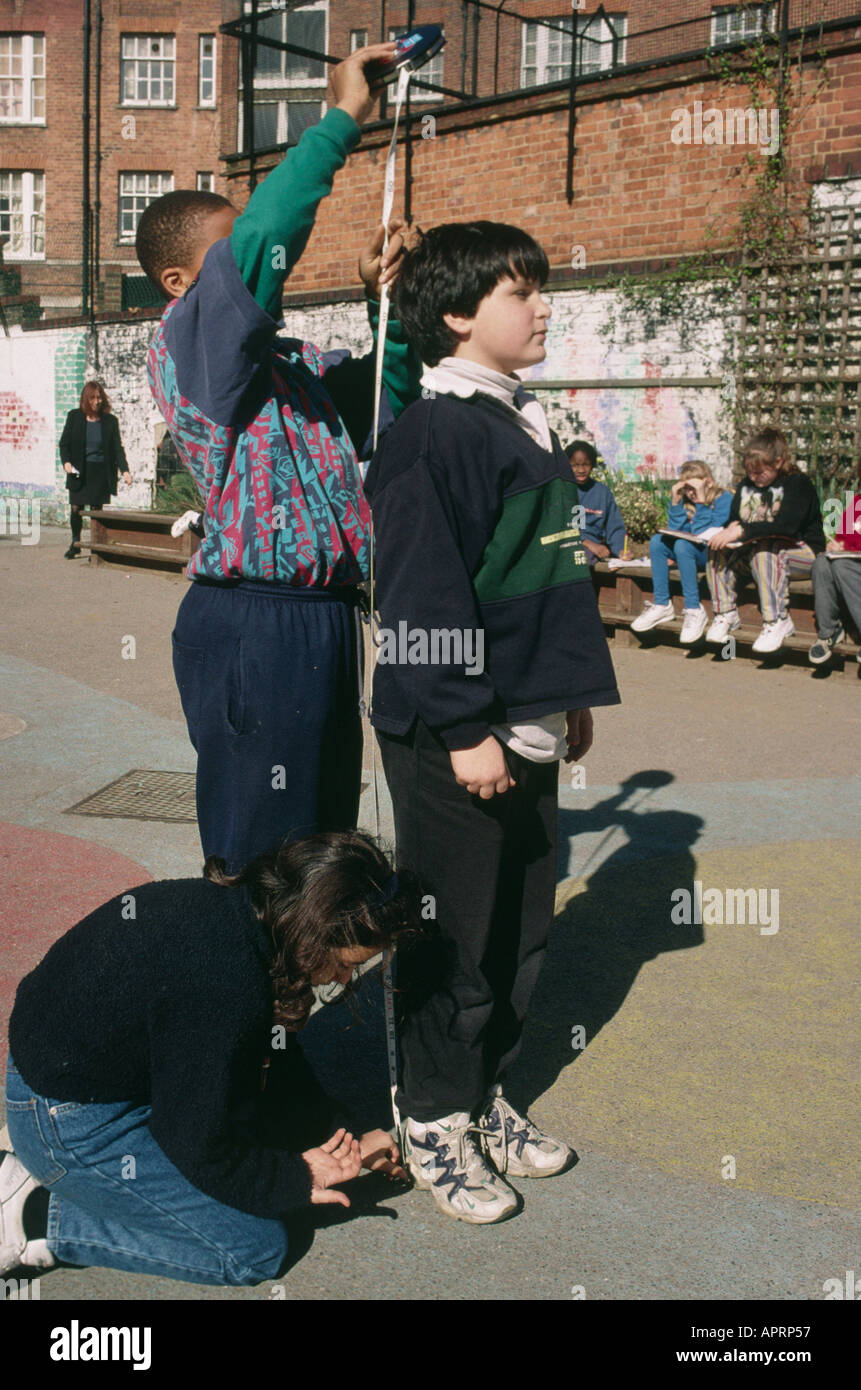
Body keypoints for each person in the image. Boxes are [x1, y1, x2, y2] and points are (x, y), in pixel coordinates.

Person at [364, 221, 620, 1225]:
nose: (544, 305)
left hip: (531, 719)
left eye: (542, 288)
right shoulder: (434, 433)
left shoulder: (524, 422)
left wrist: (572, 701)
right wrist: (468, 727)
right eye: (523, 292)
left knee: (521, 932)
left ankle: (482, 1096)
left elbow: (549, 581)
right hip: (456, 734)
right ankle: (432, 1117)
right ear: (460, 314)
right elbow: (420, 598)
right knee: (453, 936)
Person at [136, 41, 420, 874]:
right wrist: (341, 120)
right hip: (252, 620)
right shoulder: (192, 349)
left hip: (326, 616)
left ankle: (294, 997)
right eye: (229, 258)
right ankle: (238, 994)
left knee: (319, 841)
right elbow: (265, 234)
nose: (261, 267)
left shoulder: (293, 367)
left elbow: (383, 406)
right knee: (258, 840)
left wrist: (386, 304)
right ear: (182, 283)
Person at [0, 831, 419, 1287]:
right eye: (343, 964)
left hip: (92, 1081)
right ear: (314, 933)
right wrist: (296, 1177)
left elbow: (273, 1055)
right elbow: (196, 1142)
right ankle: (38, 1216)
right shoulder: (224, 984)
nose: (341, 979)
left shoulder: (245, 914)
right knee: (255, 1247)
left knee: (253, 1139)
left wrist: (340, 1133)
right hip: (66, 1122)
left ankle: (83, 1186)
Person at [704, 428, 826, 654]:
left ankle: (777, 620)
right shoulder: (746, 485)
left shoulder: (797, 484)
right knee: (717, 547)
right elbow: (736, 521)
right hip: (756, 557)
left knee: (766, 549)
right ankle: (725, 613)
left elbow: (786, 527)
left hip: (802, 553)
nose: (754, 477)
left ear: (778, 462)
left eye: (760, 472)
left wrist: (740, 530)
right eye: (750, 472)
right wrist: (729, 529)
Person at [632, 460, 732, 645]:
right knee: (657, 542)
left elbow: (705, 532)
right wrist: (676, 502)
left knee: (682, 546)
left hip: (715, 555)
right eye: (687, 489)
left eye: (694, 487)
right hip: (692, 552)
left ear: (708, 482)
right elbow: (677, 530)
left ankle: (694, 608)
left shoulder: (723, 499)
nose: (691, 493)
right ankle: (662, 604)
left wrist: (701, 500)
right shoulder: (687, 502)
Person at [59, 382, 132, 559]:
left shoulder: (110, 421)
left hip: (100, 471)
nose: (97, 401)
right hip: (78, 470)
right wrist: (66, 462)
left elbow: (117, 449)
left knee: (96, 511)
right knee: (76, 508)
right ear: (86, 399)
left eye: (99, 397)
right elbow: (64, 443)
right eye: (92, 398)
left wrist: (125, 470)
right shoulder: (74, 417)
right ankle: (75, 544)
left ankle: (96, 546)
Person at [809, 484, 861, 664]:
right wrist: (836, 546)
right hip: (850, 562)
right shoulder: (856, 503)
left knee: (841, 566)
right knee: (821, 563)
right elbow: (842, 538)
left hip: (852, 566)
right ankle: (828, 634)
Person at [565, 439, 626, 564]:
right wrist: (586, 543)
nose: (581, 470)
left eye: (586, 464)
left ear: (592, 465)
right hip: (568, 545)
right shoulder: (562, 490)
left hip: (594, 550)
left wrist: (620, 550)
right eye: (575, 465)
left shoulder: (602, 492)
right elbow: (559, 525)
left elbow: (614, 527)